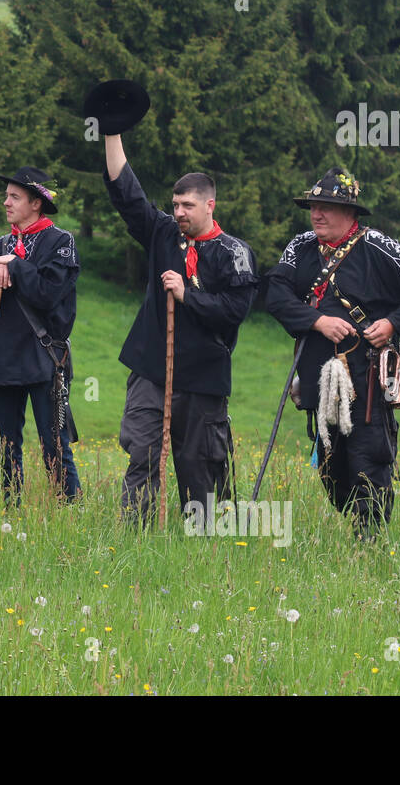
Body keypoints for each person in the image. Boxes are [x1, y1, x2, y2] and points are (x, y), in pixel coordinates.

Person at [266, 167, 400, 540]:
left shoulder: (377, 244)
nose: (317, 214)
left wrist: (393, 324)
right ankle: (359, 529)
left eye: (327, 207)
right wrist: (317, 322)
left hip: (366, 378)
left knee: (369, 462)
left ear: (350, 213)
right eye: (313, 206)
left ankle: (371, 543)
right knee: (332, 470)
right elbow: (276, 295)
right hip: (319, 373)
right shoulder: (300, 246)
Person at [103, 135, 258, 526]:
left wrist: (187, 295)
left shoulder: (234, 253)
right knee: (141, 453)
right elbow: (127, 193)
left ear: (210, 205)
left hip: (203, 377)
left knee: (202, 468)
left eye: (188, 205)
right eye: (175, 205)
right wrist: (112, 132)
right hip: (152, 370)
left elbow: (235, 311)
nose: (180, 212)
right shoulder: (162, 233)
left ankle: (210, 546)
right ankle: (134, 538)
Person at [0, 166, 80, 502]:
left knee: (53, 445)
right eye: (6, 196)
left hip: (44, 358)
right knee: (3, 446)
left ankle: (69, 511)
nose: (6, 202)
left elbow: (47, 293)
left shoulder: (61, 242)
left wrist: (14, 265)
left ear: (35, 203)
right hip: (2, 359)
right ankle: (8, 510)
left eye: (14, 196)